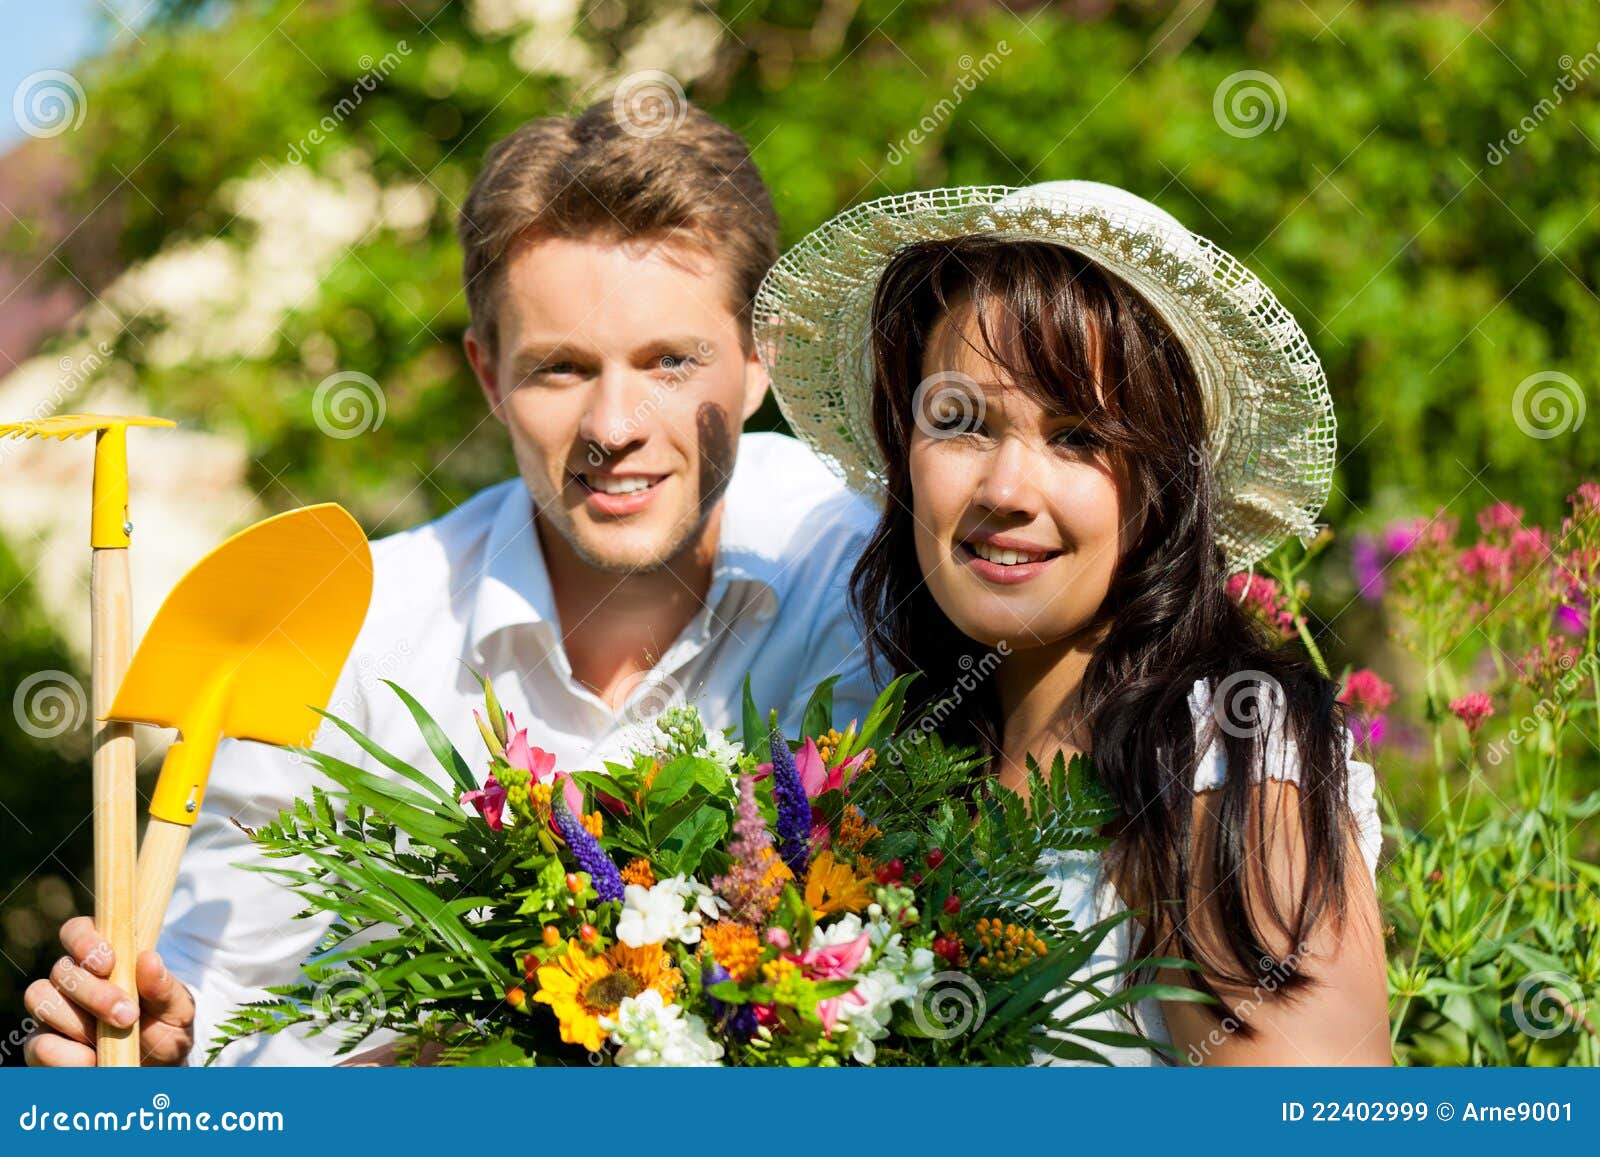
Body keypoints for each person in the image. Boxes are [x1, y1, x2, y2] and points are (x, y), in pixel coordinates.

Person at [23, 98, 877, 1067]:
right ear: (488, 376)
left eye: (670, 361)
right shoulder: (339, 630)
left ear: (760, 357)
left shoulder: (863, 574)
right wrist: (166, 1046)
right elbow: (219, 995)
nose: (614, 424)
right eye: (558, 369)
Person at [756, 181, 1391, 1065]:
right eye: (961, 422)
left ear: (1166, 483)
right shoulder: (906, 768)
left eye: (1079, 436)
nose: (1007, 491)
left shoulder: (1223, 772)